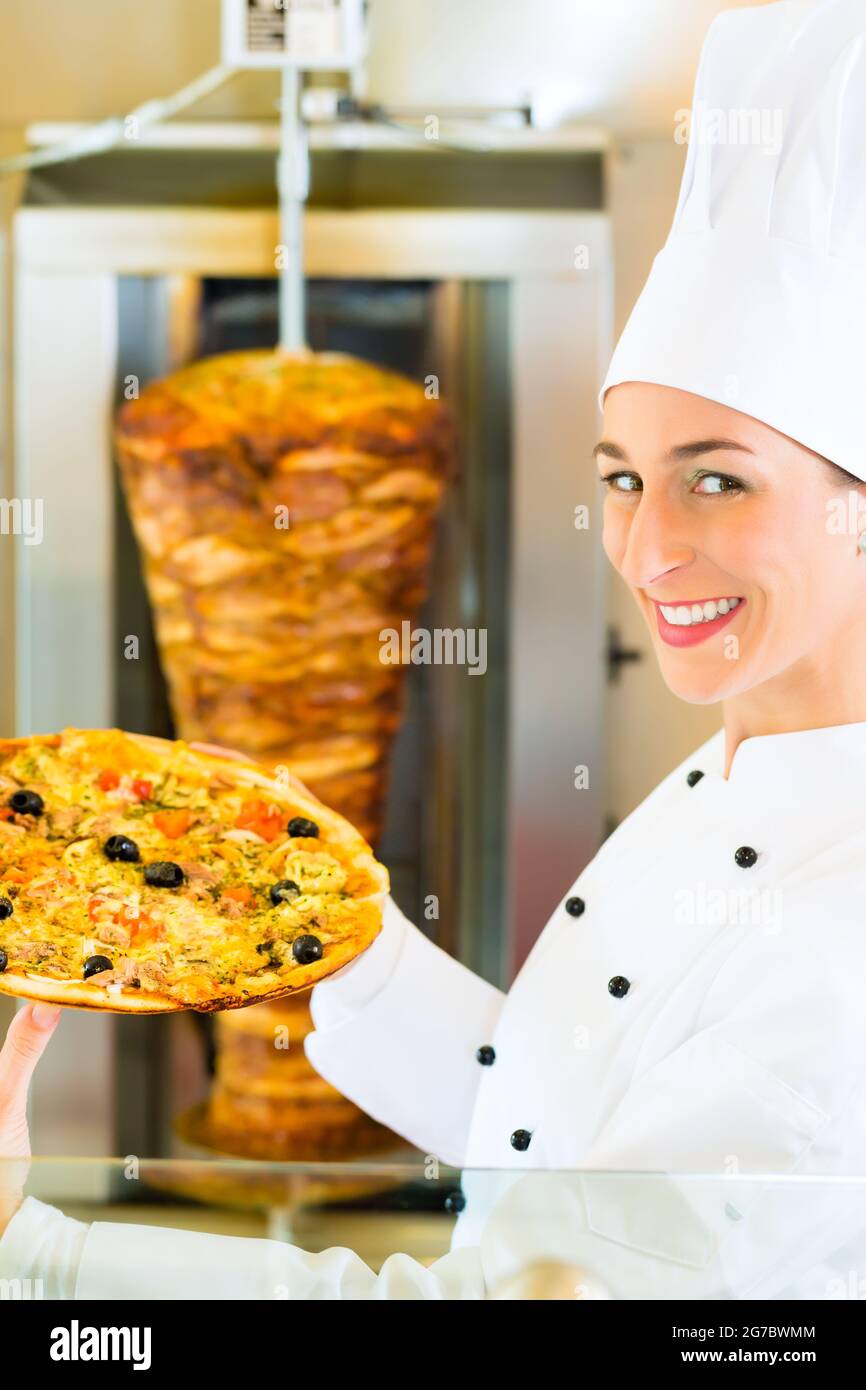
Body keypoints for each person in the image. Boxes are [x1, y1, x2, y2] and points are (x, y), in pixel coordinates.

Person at [4, 0, 866, 1299]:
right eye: (622, 480)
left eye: (719, 483)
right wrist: (330, 925)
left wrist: (44, 1258)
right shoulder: (738, 775)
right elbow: (558, 1141)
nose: (644, 554)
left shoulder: (834, 940)